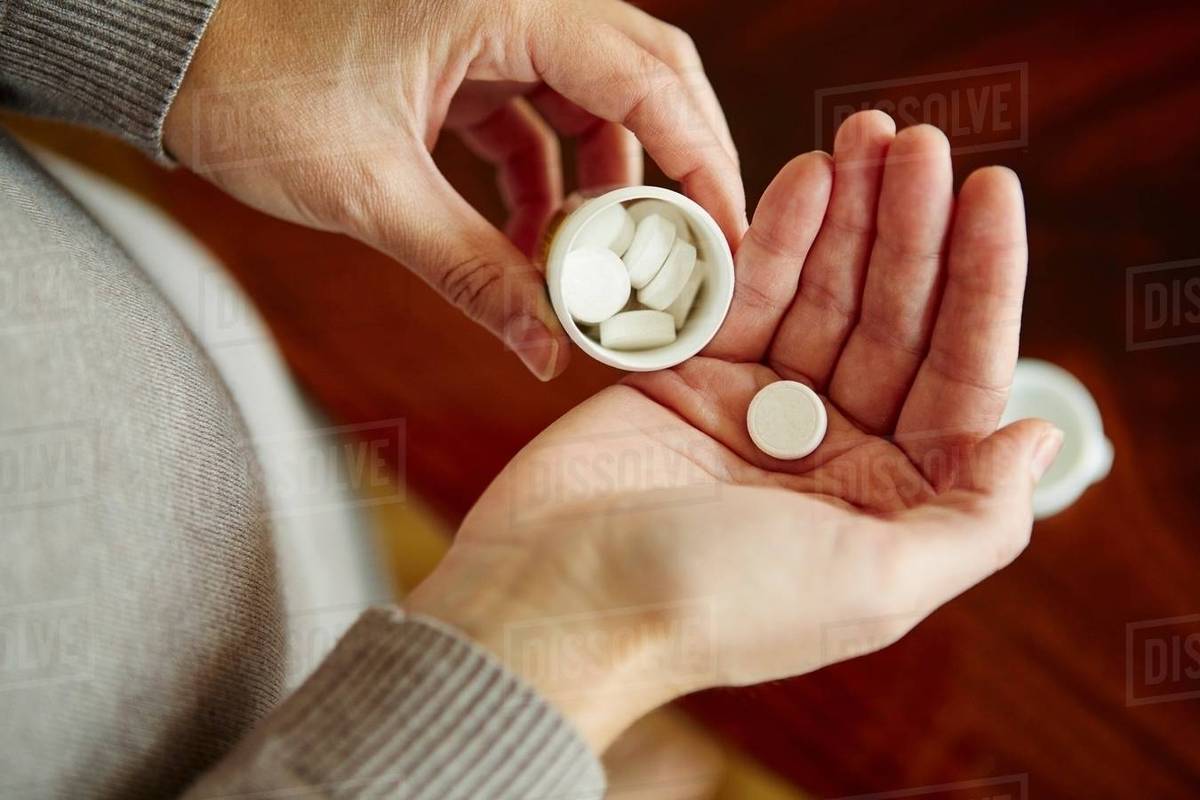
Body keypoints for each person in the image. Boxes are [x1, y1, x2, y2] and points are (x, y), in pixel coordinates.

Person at [0, 0, 1060, 797]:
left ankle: (484, 712)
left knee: (325, 585)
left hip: (245, 475)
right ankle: (541, 739)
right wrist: (547, 652)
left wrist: (184, 36)